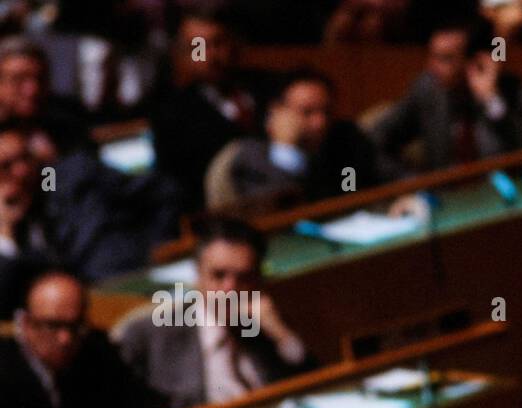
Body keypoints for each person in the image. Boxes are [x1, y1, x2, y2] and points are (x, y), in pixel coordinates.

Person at [115, 216, 313, 408]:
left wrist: (281, 334)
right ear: (198, 275)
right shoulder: (152, 336)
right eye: (219, 275)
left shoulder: (266, 329)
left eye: (244, 278)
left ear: (259, 280)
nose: (230, 289)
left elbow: (310, 387)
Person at [0, 122, 170, 318]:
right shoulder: (12, 219)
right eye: (6, 166)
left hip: (123, 281)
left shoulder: (62, 179)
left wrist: (158, 245)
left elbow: (161, 191)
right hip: (66, 309)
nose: (21, 170)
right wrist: (5, 228)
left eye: (25, 158)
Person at [0, 269, 165, 408]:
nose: (65, 339)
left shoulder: (98, 351)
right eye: (53, 325)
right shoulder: (5, 370)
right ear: (26, 323)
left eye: (75, 326)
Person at [368, 16, 522, 171]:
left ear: (477, 61)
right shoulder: (428, 91)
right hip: (446, 202)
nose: (432, 67)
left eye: (445, 59)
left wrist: (492, 103)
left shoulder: (520, 94)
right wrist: (413, 183)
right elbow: (372, 143)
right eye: (432, 56)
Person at [217, 68, 401, 213]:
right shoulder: (251, 157)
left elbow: (394, 176)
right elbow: (282, 215)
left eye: (326, 111)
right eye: (307, 112)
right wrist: (286, 151)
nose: (320, 123)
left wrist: (406, 197)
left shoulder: (346, 137)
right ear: (276, 112)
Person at [150, 4, 270, 213]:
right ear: (183, 53)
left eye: (218, 43)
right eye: (199, 47)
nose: (211, 55)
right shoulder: (172, 115)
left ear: (234, 43)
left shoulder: (269, 87)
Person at [0, 37, 89, 157]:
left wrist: (50, 166)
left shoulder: (65, 126)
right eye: (18, 79)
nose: (32, 90)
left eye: (40, 79)